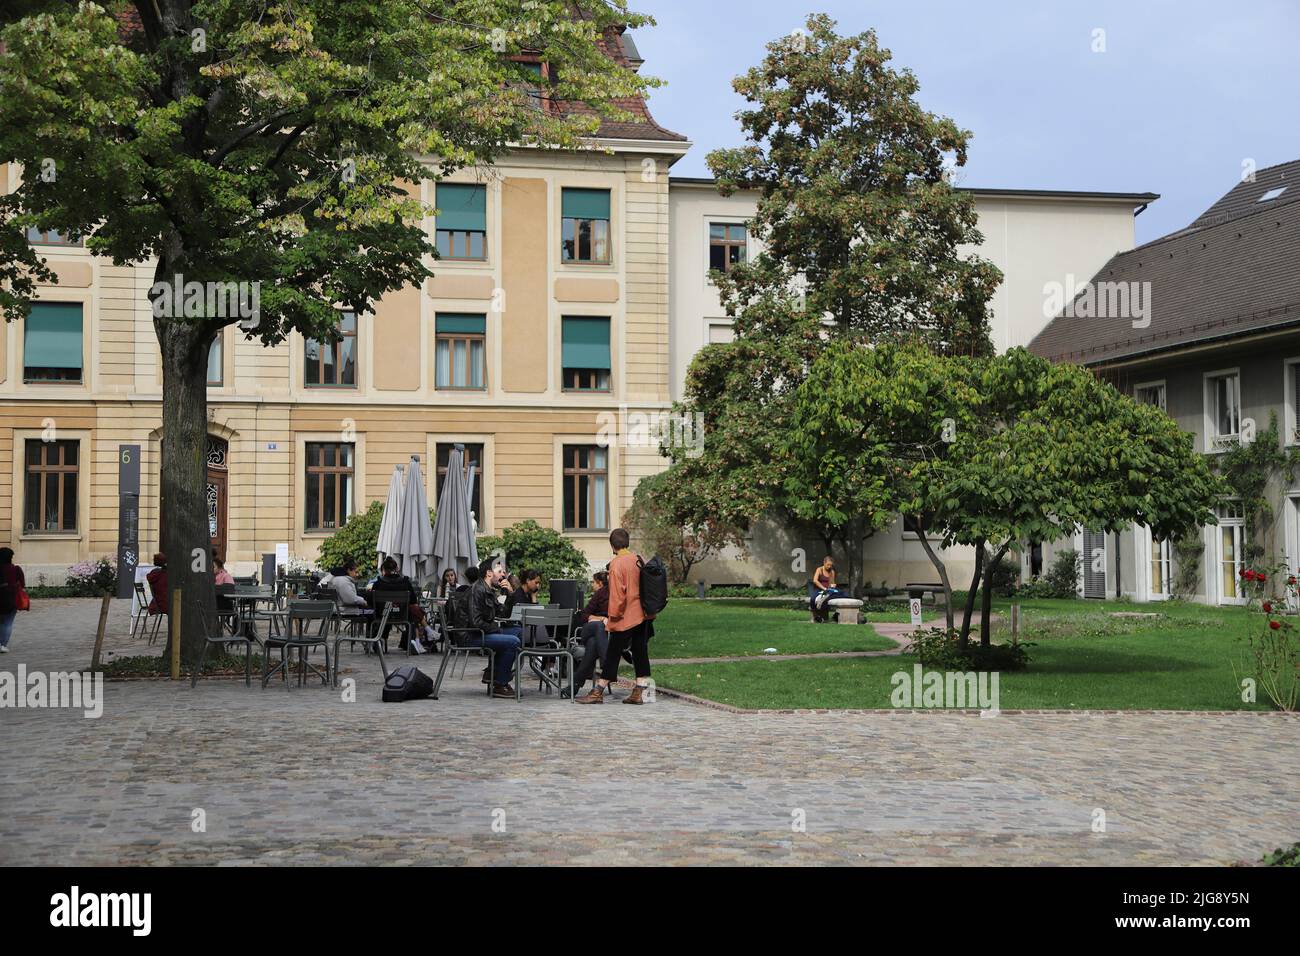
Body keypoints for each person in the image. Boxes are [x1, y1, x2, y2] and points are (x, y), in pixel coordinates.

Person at [576, 529, 654, 705]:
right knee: (640, 651)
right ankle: (639, 692)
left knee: (612, 653)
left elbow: (618, 596)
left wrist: (613, 617)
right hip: (643, 614)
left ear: (612, 545)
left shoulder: (617, 564)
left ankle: (598, 691)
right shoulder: (638, 559)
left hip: (625, 616)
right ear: (627, 542)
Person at [468, 558, 524, 698]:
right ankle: (500, 683)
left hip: (484, 631)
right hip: (472, 635)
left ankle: (492, 671)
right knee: (512, 641)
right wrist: (497, 630)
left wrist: (510, 594)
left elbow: (503, 613)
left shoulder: (490, 590)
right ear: (489, 573)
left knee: (520, 632)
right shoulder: (477, 589)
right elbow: (475, 622)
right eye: (500, 572)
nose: (503, 575)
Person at [372, 556, 434, 650]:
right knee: (412, 611)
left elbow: (371, 602)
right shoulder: (405, 582)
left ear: (383, 569)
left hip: (382, 615)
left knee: (386, 612)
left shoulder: (378, 583)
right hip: (403, 615)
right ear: (397, 569)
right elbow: (413, 600)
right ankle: (414, 640)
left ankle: (380, 639)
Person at [571, 569, 610, 693]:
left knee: (593, 644)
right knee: (599, 626)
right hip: (590, 628)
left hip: (605, 634)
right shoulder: (600, 594)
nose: (592, 585)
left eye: (593, 582)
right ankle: (607, 664)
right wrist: (601, 618)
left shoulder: (618, 594)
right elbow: (584, 615)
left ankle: (575, 684)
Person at [0, 547, 26, 653]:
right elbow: (22, 584)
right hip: (12, 599)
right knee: (7, 623)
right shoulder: (16, 569)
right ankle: (3, 645)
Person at [810, 555, 847, 621]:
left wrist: (833, 585)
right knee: (813, 599)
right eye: (828, 565)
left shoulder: (832, 572)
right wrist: (824, 588)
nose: (829, 566)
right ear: (824, 563)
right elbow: (815, 580)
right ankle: (816, 616)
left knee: (844, 594)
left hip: (829, 590)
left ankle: (836, 614)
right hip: (819, 590)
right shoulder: (819, 569)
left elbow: (832, 583)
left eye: (830, 565)